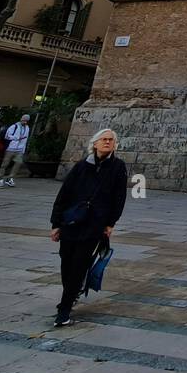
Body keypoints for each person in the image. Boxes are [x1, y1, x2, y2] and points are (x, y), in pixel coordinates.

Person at [49, 129, 127, 327]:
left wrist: (110, 223)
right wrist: (56, 224)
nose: (108, 143)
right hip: (71, 222)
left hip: (94, 225)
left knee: (79, 265)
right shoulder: (81, 167)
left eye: (111, 140)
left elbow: (119, 198)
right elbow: (63, 195)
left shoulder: (118, 167)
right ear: (95, 143)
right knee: (66, 263)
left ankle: (64, 308)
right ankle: (72, 292)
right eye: (104, 140)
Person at [0, 114, 31, 188]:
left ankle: (10, 178)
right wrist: (16, 138)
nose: (25, 122)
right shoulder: (14, 126)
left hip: (20, 149)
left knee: (18, 163)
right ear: (21, 119)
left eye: (26, 121)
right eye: (24, 120)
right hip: (11, 148)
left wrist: (23, 149)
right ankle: (0, 179)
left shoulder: (27, 128)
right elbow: (7, 136)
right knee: (5, 164)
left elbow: (25, 139)